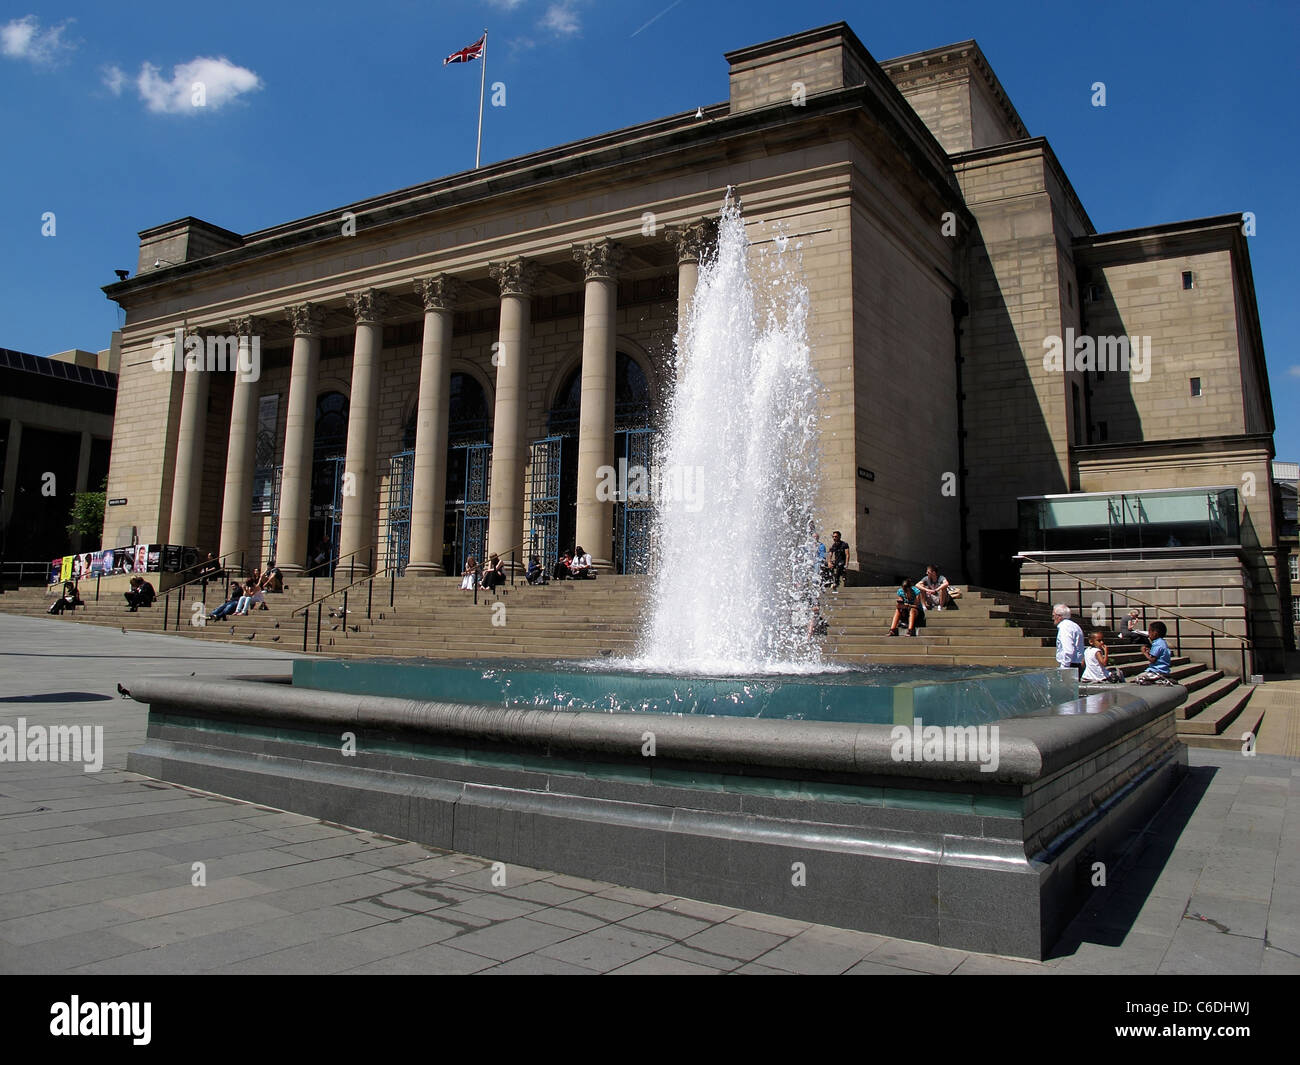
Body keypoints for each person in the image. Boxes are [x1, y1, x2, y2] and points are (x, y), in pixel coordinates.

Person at [1052, 603, 1085, 676]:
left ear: (1059, 616)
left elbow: (1068, 650)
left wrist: (1064, 669)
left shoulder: (1065, 627)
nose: (1052, 618)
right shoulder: (1074, 625)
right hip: (1075, 664)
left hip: (1070, 666)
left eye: (1053, 615)